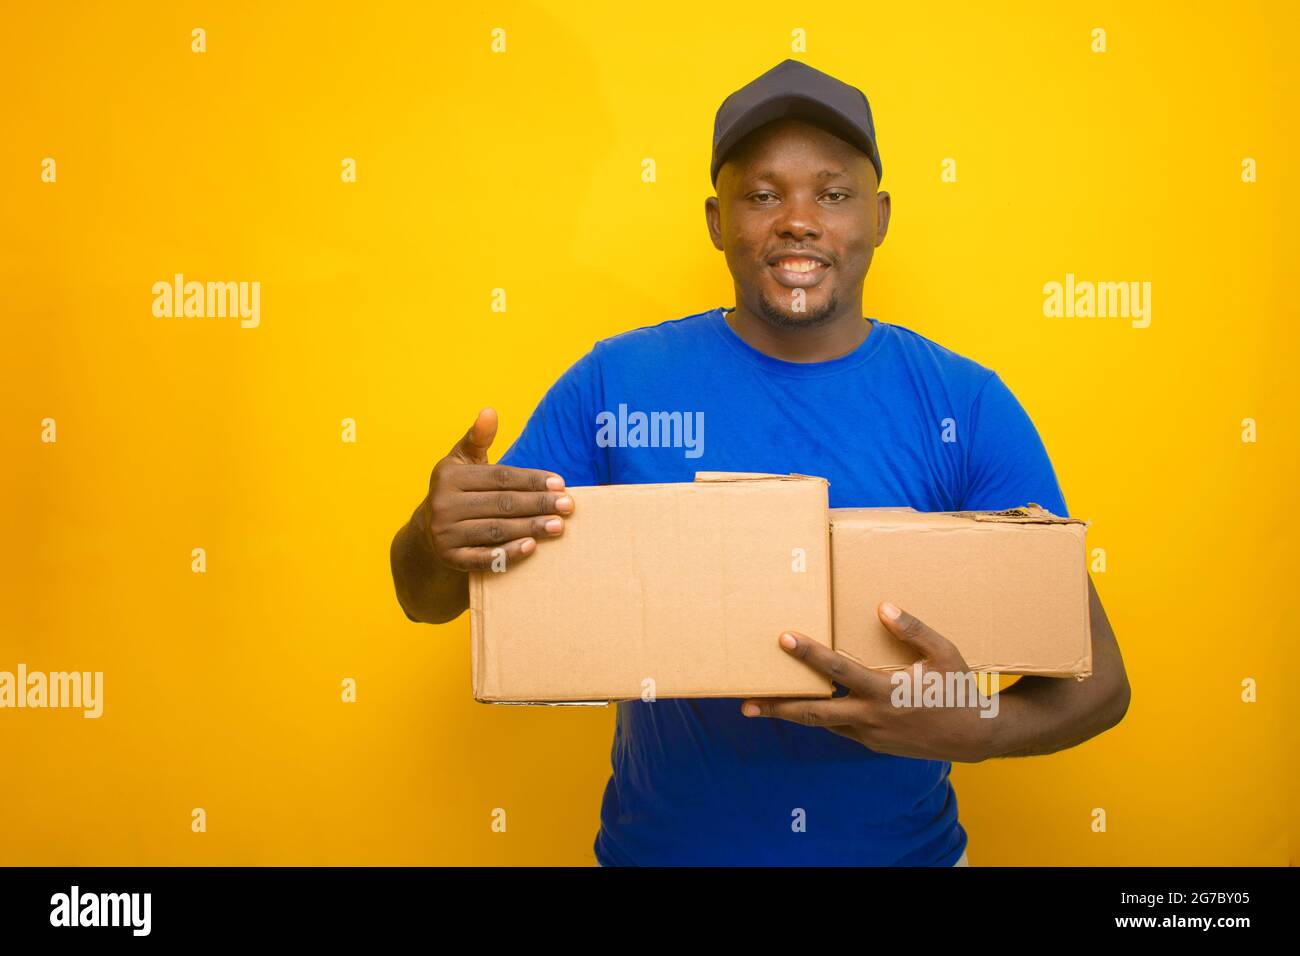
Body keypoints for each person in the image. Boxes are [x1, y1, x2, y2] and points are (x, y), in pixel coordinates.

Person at [390, 59, 1131, 866]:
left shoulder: (965, 404)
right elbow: (429, 601)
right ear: (717, 220)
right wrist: (433, 538)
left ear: (879, 217)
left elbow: (1098, 686)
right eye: (763, 194)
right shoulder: (618, 382)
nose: (799, 221)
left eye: (834, 193)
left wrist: (973, 725)